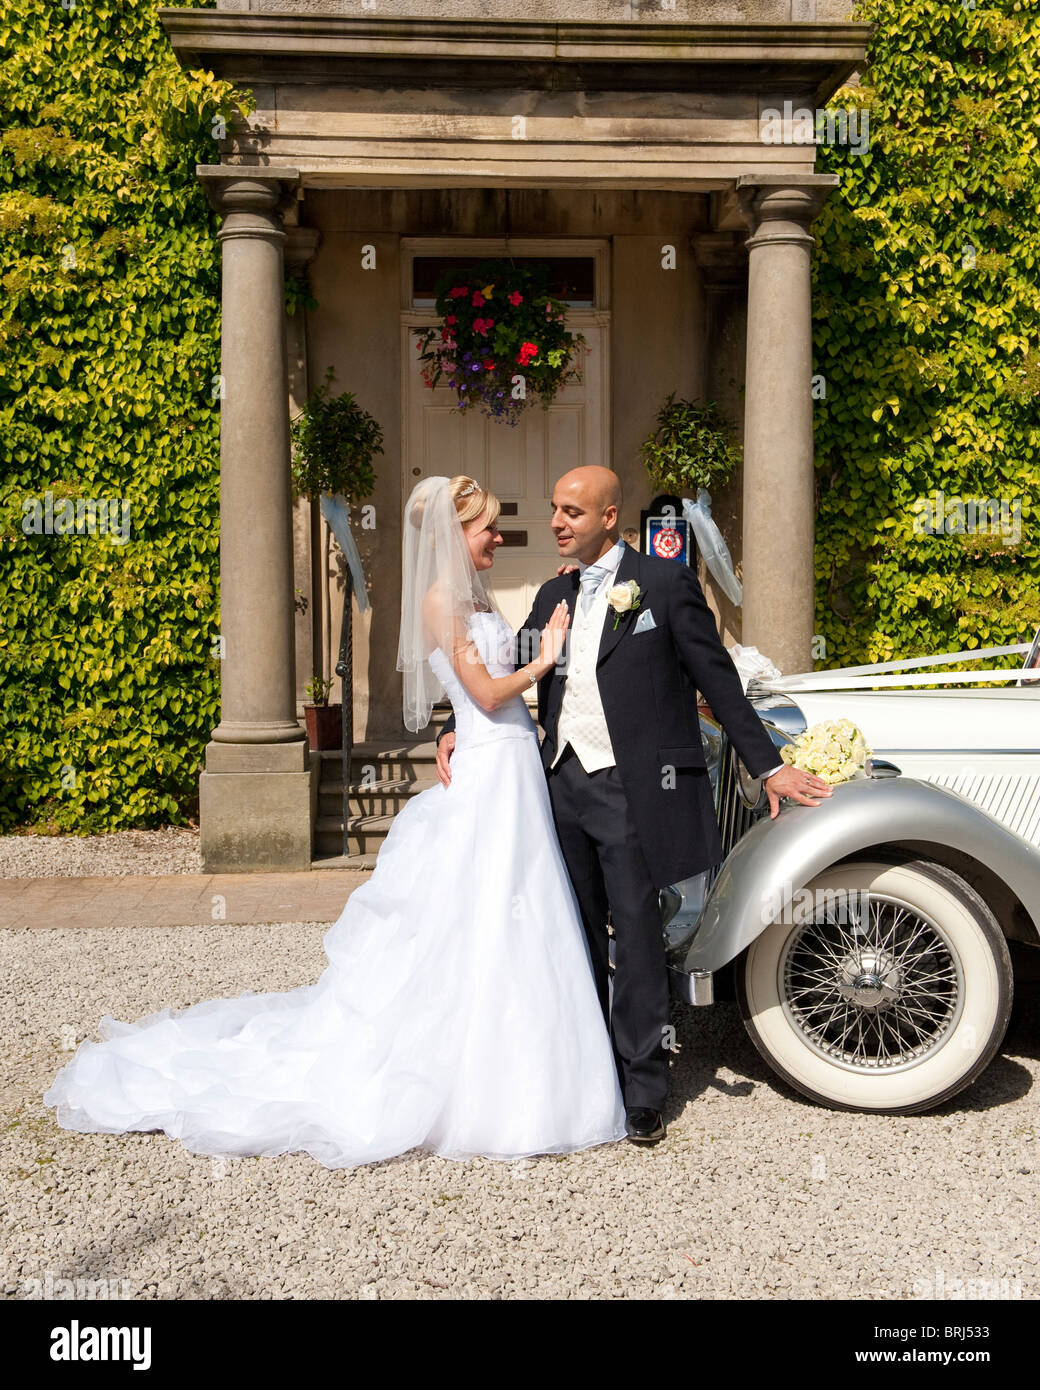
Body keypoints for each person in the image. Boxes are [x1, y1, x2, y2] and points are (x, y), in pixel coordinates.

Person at [43, 476, 628, 1167]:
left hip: (510, 767)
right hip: (492, 770)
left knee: (519, 913)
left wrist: (564, 598)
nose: (499, 538)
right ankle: (479, 1085)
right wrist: (546, 656)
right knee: (486, 913)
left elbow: (480, 689)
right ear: (453, 535)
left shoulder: (474, 594)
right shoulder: (443, 599)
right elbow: (485, 689)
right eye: (488, 530)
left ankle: (539, 1066)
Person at [437, 466, 831, 1144]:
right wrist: (453, 726)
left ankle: (644, 1085)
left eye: (572, 513)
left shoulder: (666, 583)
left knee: (639, 937)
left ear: (609, 516)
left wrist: (767, 765)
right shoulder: (552, 591)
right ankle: (589, 1075)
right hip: (558, 786)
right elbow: (497, 677)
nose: (558, 522)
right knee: (573, 933)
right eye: (555, 510)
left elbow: (719, 679)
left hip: (635, 788)